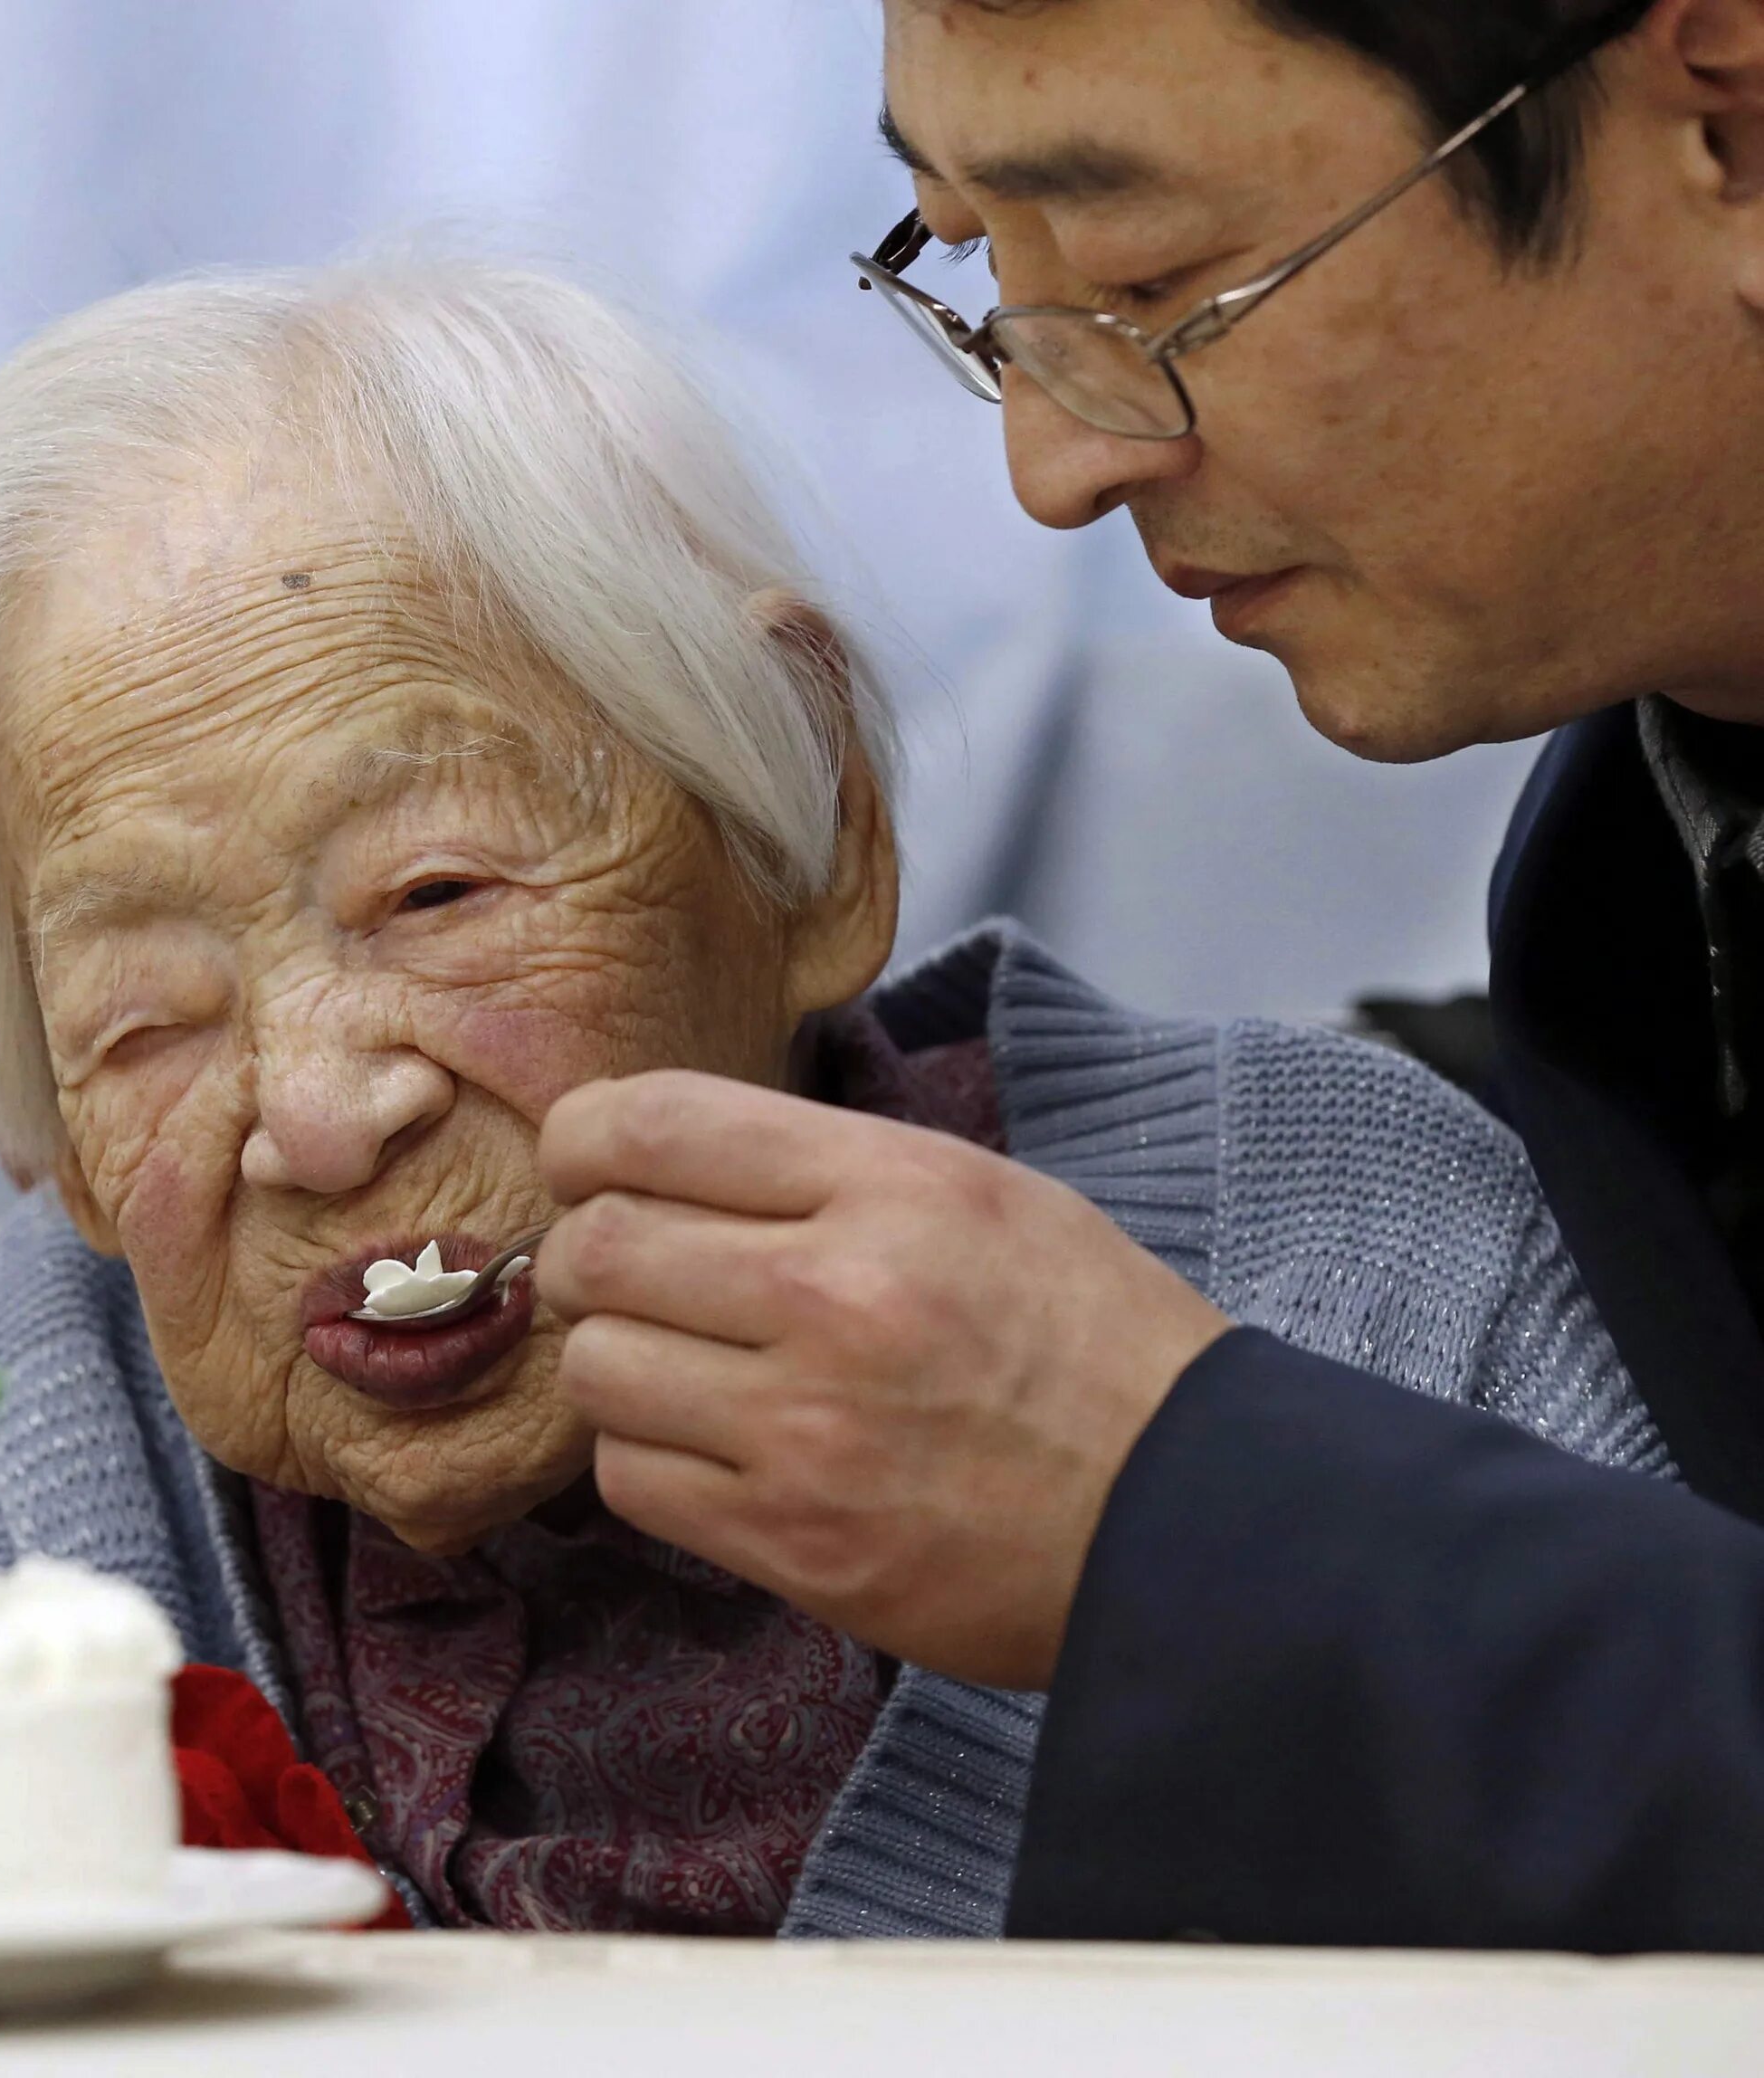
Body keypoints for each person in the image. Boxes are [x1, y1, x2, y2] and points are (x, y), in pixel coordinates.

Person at [0, 253, 1663, 1935]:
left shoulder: (1354, 1271)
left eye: (438, 892)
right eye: (148, 1016)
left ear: (809, 828)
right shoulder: (44, 1447)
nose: (319, 1115)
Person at [531, 0, 1764, 1950]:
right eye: (966, 265)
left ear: (1732, 129)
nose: (1055, 467)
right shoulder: (1663, 813)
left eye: (1147, 278)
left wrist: (1189, 1515)